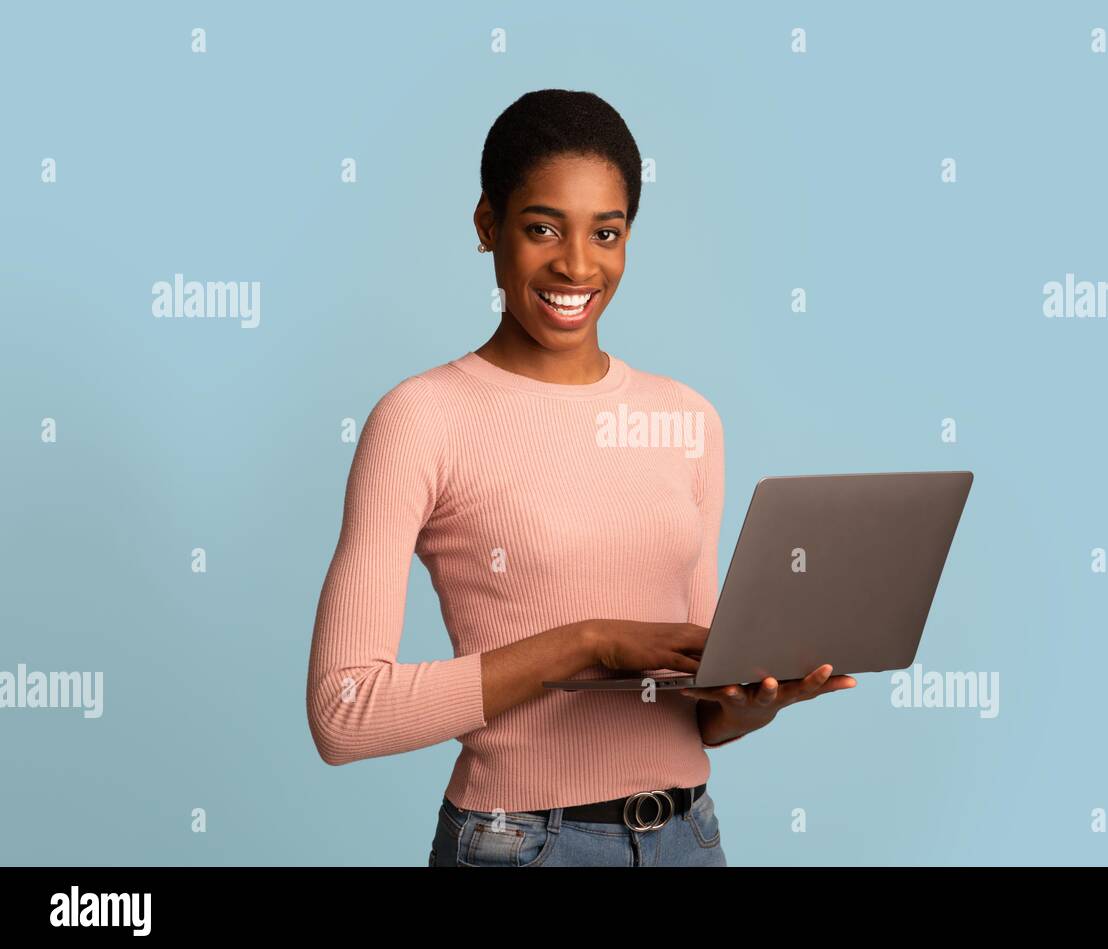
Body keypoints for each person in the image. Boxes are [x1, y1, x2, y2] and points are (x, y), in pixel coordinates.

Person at [305, 89, 856, 867]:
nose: (576, 264)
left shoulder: (689, 418)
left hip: (686, 837)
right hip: (517, 843)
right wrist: (589, 642)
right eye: (541, 228)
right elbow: (343, 715)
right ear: (487, 226)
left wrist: (750, 704)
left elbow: (698, 709)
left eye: (607, 232)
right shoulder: (421, 417)